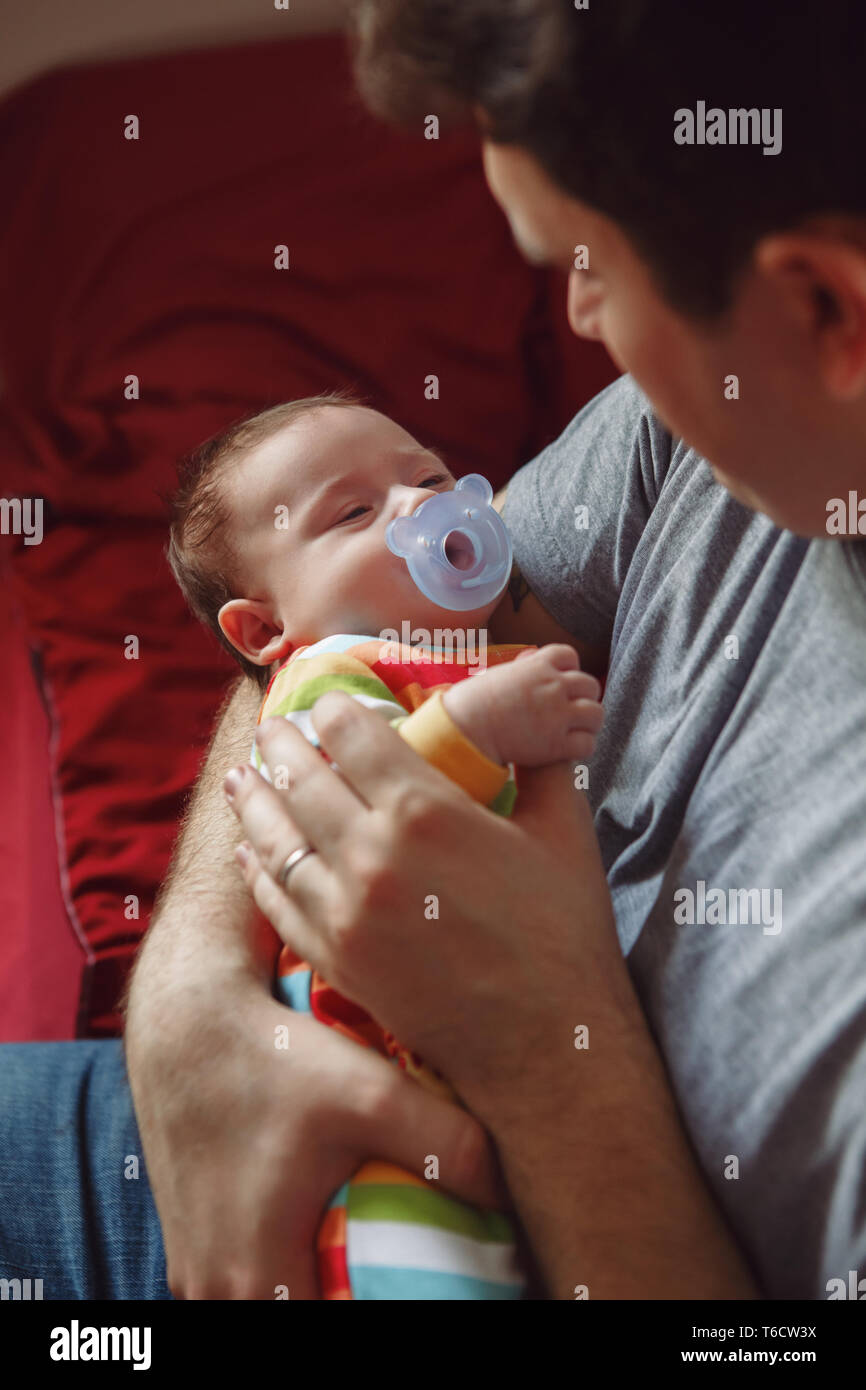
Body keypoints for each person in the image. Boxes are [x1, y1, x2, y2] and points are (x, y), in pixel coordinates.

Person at [2, 0, 863, 1301]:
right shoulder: (690, 444)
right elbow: (347, 635)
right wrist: (193, 1015)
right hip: (199, 1121)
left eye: (583, 257)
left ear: (825, 308)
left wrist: (539, 1045)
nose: (576, 320)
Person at [165, 389, 603, 1297]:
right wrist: (478, 732)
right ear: (263, 630)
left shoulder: (462, 662)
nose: (420, 509)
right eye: (354, 513)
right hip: (382, 1075)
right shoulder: (326, 676)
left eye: (432, 479)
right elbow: (356, 817)